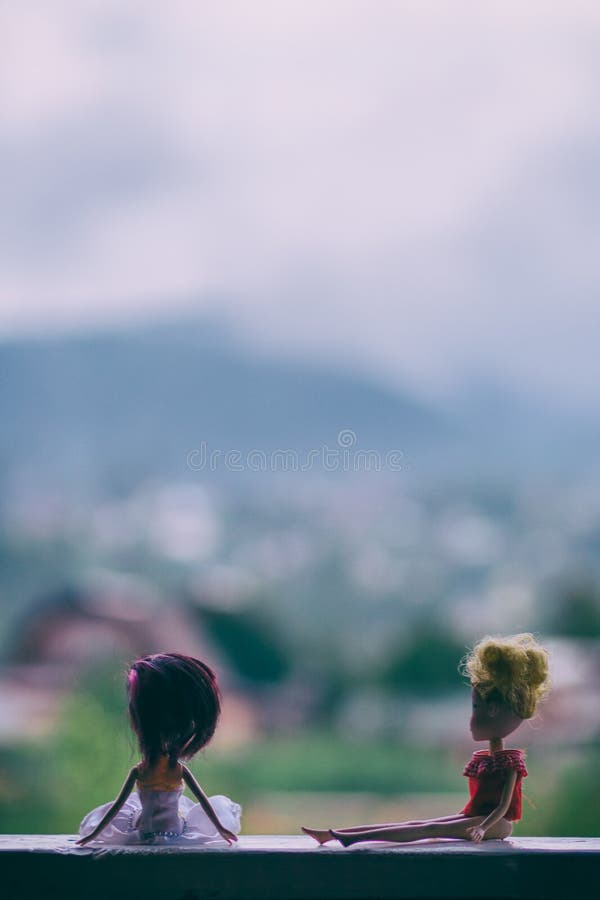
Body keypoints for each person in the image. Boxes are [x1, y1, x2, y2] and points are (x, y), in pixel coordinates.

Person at [302, 633, 549, 847]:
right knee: (420, 824)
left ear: (493, 710)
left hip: (497, 824)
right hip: (479, 817)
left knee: (430, 830)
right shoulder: (488, 760)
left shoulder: (509, 765)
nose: (471, 718)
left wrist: (483, 828)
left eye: (476, 708)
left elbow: (503, 807)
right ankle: (340, 835)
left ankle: (348, 838)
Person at [77, 652, 241, 845]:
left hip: (149, 829)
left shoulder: (144, 770)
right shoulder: (168, 769)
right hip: (168, 830)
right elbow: (204, 802)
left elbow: (116, 807)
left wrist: (94, 833)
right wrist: (220, 828)